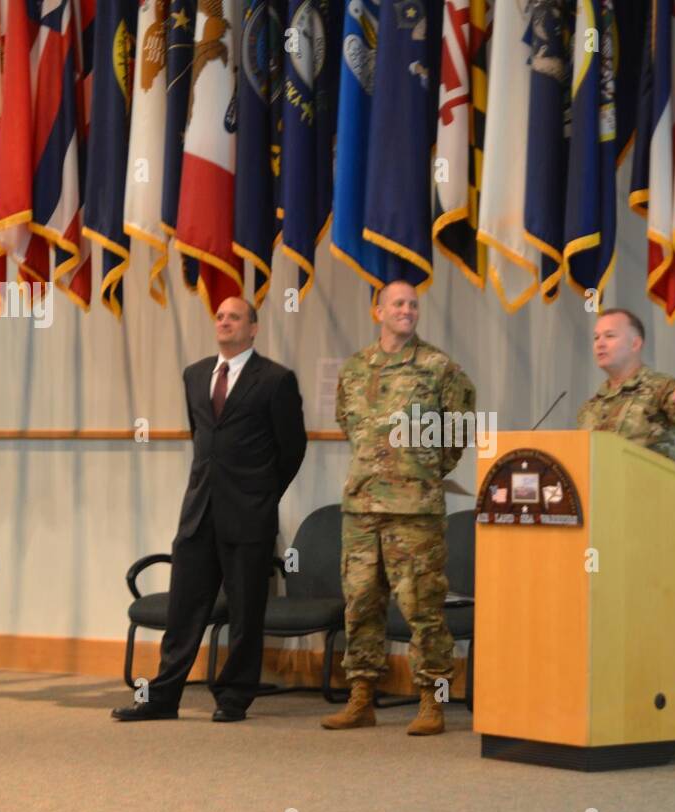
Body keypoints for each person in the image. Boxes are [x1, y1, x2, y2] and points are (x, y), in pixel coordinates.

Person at [112, 297, 307, 723]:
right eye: (220, 316)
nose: (224, 321)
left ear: (253, 329)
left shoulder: (276, 379)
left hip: (249, 515)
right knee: (184, 608)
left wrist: (262, 494)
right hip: (199, 512)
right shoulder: (196, 375)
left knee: (245, 611)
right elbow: (203, 435)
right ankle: (163, 697)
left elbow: (293, 448)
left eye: (234, 317)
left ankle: (234, 696)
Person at [321, 279, 476, 735]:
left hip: (416, 509)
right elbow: (350, 424)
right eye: (398, 303)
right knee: (361, 603)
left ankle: (432, 700)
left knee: (422, 607)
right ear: (378, 311)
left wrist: (421, 469)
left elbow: (459, 432)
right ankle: (362, 697)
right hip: (361, 506)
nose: (407, 310)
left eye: (413, 304)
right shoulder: (353, 369)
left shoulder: (439, 367)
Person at [577, 307, 675, 756]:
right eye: (596, 335)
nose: (600, 342)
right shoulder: (592, 405)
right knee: (620, 629)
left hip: (655, 530)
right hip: (606, 535)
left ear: (636, 343)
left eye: (610, 335)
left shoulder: (660, 390)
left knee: (664, 629)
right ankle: (628, 721)